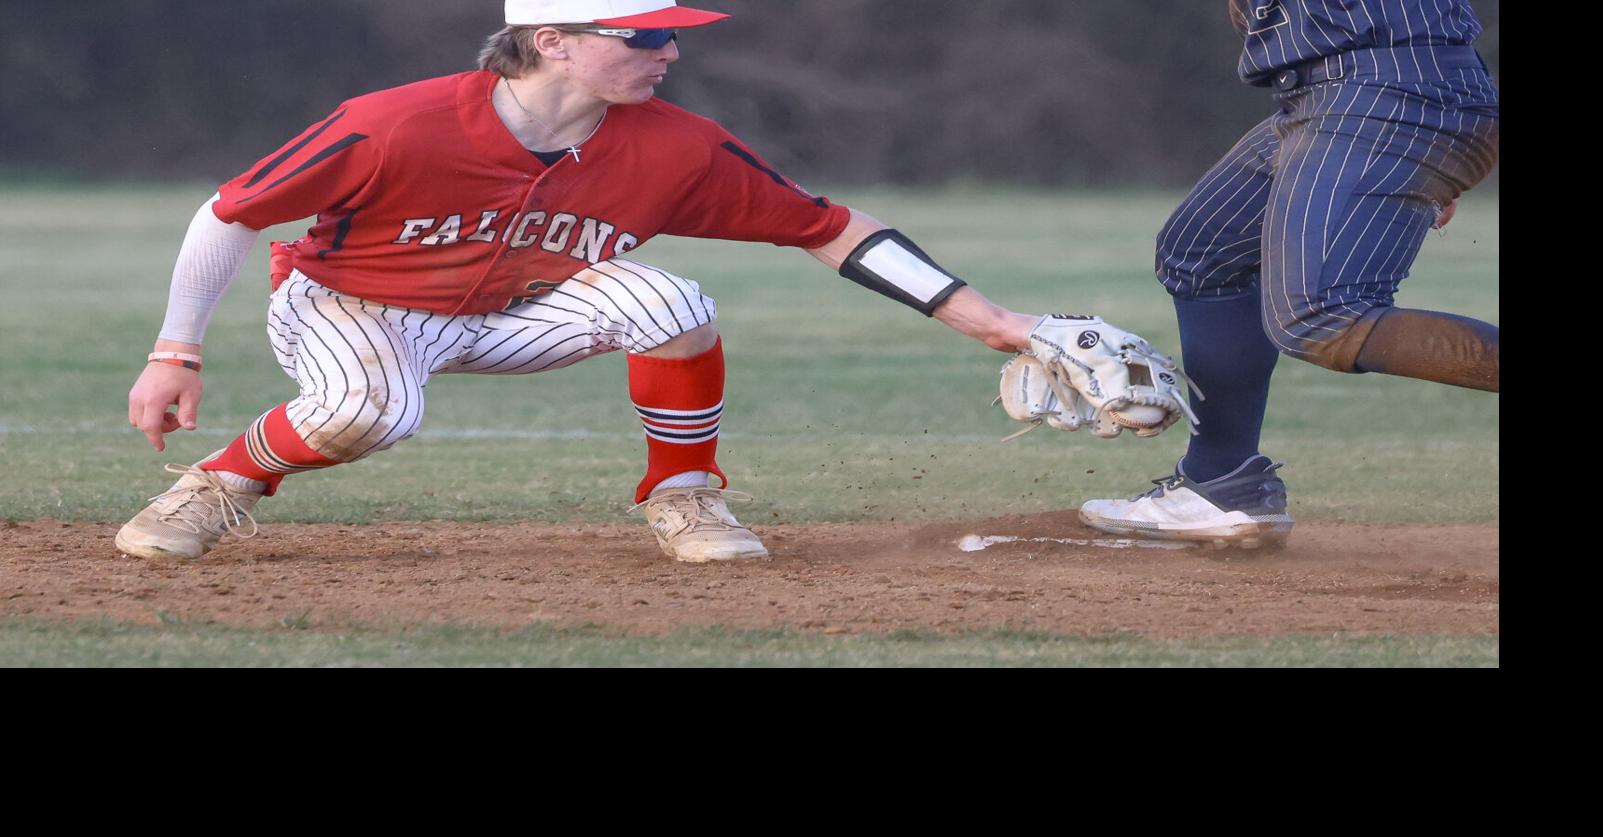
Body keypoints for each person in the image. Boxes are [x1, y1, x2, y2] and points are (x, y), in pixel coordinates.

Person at [118, 0, 1132, 564]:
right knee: (370, 414)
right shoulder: (398, 122)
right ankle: (218, 485)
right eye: (641, 35)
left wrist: (990, 319)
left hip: (518, 312)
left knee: (670, 302)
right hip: (350, 304)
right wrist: (177, 348)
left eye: (671, 33)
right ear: (551, 41)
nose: (669, 51)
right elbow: (229, 211)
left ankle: (685, 499)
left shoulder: (677, 148)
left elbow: (826, 226)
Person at [1077, 0, 1500, 548]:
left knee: (1317, 317)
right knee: (1201, 252)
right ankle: (1221, 487)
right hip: (1339, 95)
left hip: (1384, 92)